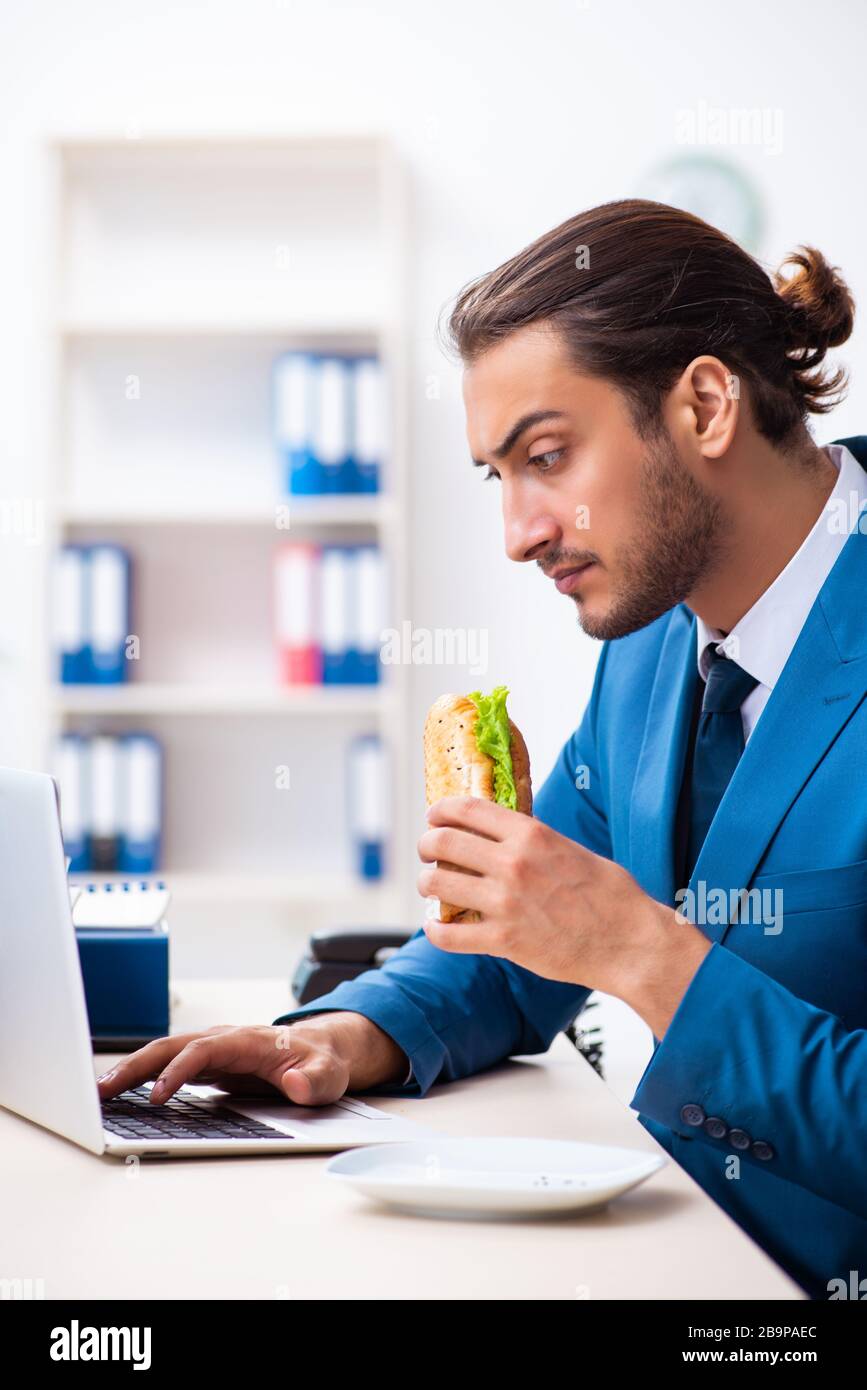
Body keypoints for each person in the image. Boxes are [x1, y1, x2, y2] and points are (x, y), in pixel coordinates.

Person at [100, 199, 867, 1300]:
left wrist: (642, 955)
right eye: (497, 477)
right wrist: (341, 1036)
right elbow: (522, 942)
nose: (518, 533)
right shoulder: (656, 635)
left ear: (705, 404)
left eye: (546, 456)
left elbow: (610, 940)